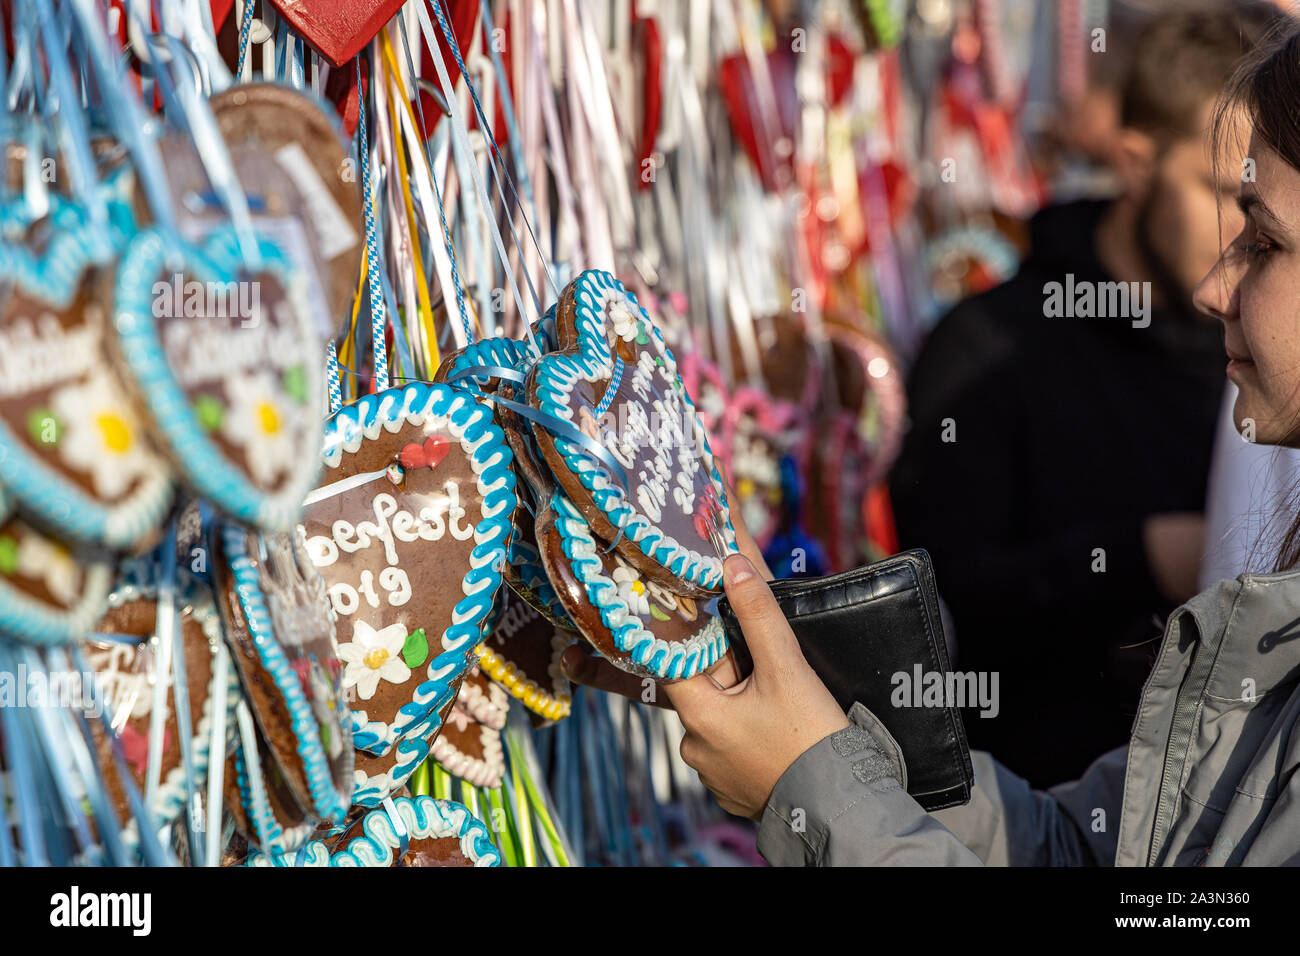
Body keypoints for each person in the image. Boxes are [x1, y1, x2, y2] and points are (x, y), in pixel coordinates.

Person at [564, 18, 1300, 865]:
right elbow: (1084, 848)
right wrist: (815, 703)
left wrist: (806, 777)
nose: (1217, 286)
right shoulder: (994, 344)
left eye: (1265, 239)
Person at [887, 4, 1282, 787]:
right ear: (1135, 162)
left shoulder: (1272, 348)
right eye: (1220, 196)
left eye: (1264, 218)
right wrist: (1142, 557)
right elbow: (929, 613)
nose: (1235, 255)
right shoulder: (987, 347)